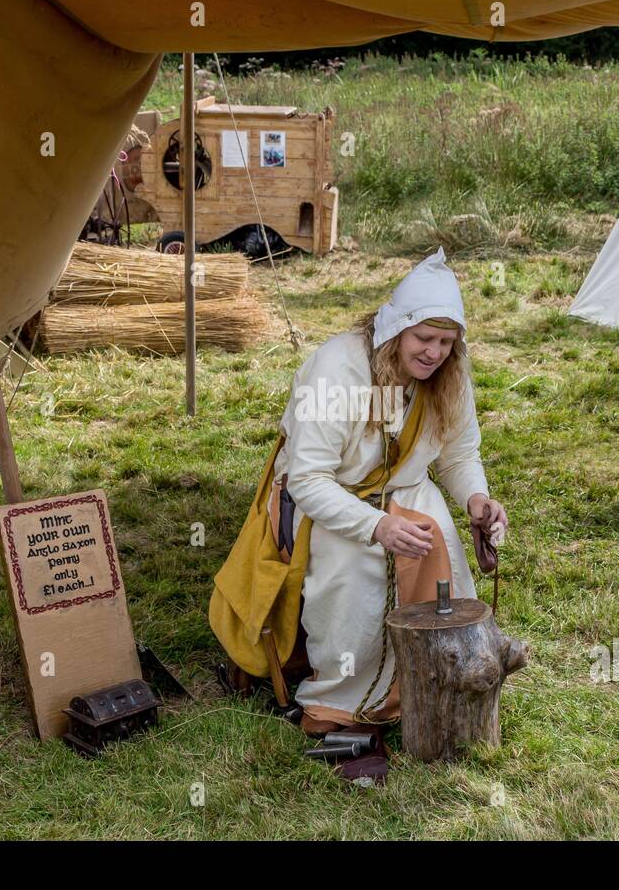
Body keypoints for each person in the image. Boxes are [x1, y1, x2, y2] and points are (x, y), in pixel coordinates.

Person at [209, 248, 507, 736]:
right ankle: (343, 702)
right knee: (352, 581)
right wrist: (377, 526)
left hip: (404, 485)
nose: (434, 353)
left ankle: (437, 681)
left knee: (443, 555)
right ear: (395, 330)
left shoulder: (449, 377)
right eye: (424, 338)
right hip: (328, 495)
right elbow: (307, 479)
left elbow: (458, 455)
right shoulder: (336, 369)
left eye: (446, 342)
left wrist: (476, 497)